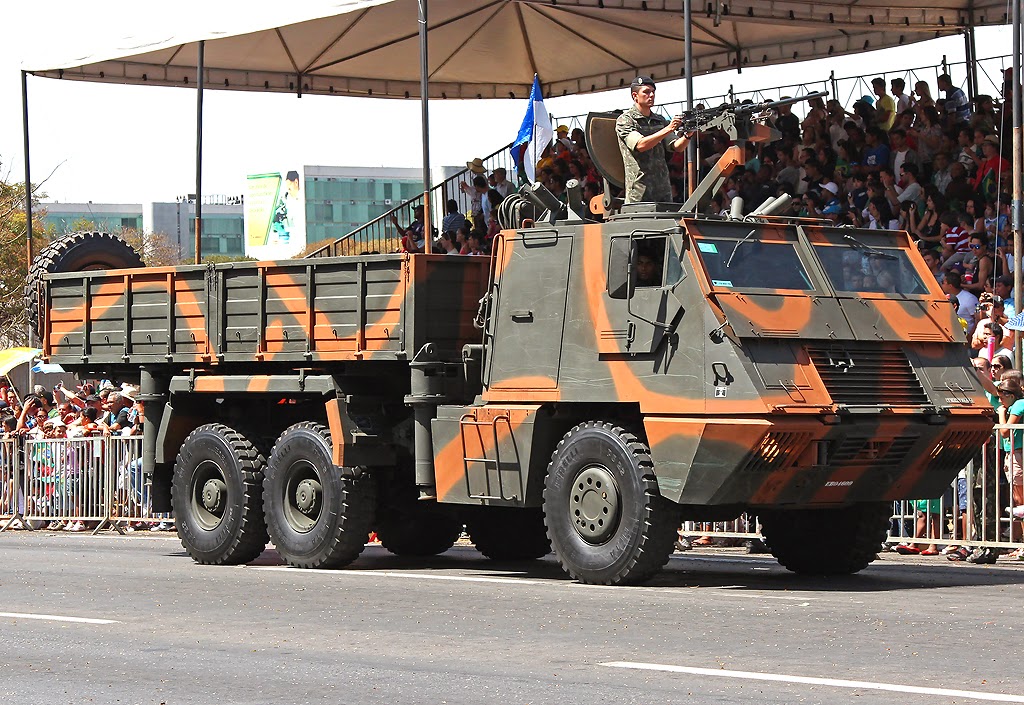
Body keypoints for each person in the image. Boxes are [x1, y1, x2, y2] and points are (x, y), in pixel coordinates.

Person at [615, 76, 692, 204]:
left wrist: (688, 134)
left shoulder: (659, 120)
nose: (651, 95)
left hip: (662, 188)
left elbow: (677, 146)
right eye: (646, 92)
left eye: (653, 92)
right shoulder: (626, 120)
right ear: (635, 96)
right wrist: (669, 128)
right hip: (640, 191)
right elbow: (640, 145)